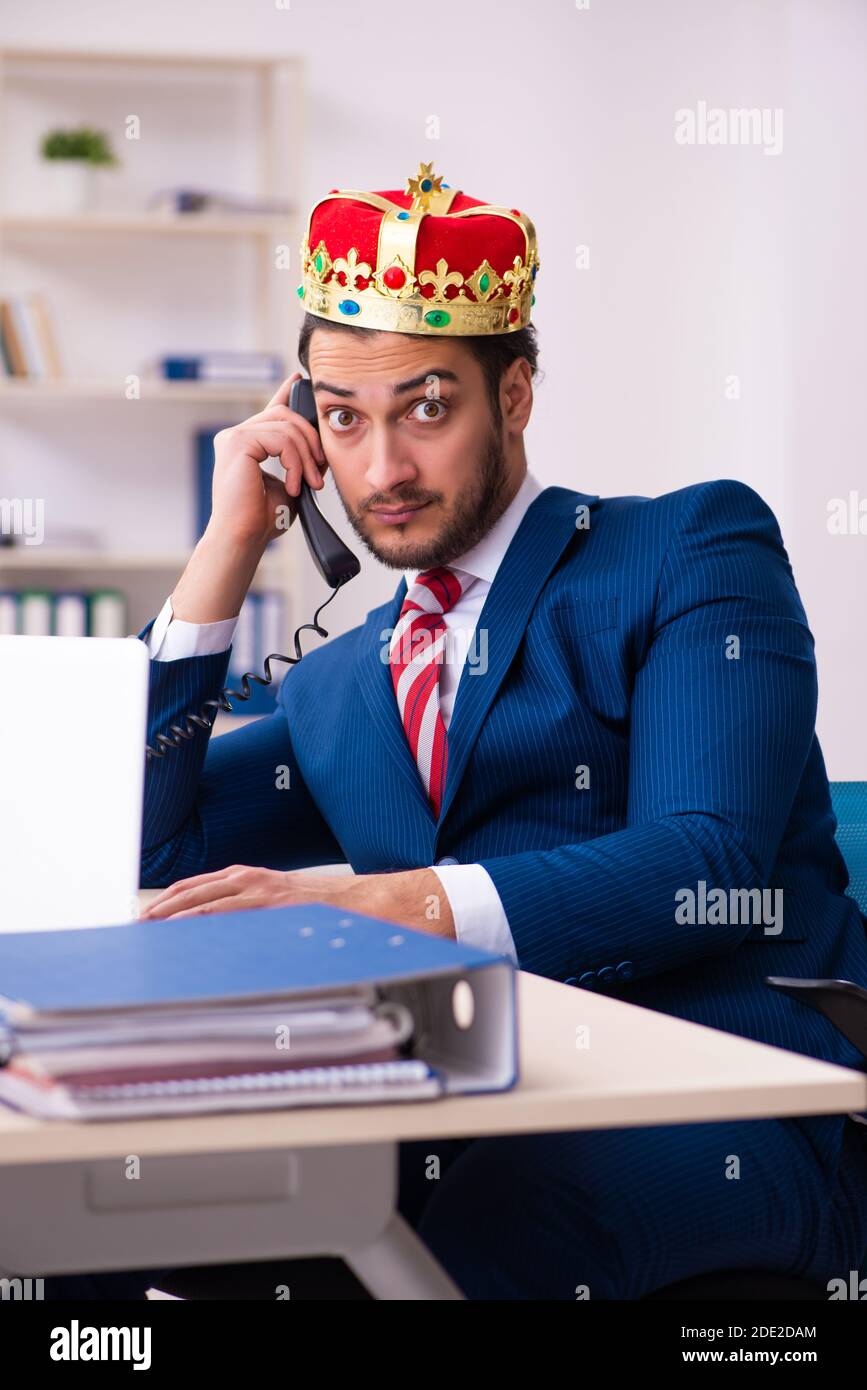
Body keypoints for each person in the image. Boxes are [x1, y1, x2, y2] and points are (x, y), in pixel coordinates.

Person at [50, 162, 867, 1300]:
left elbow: (707, 858)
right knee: (95, 1235)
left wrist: (372, 904)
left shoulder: (688, 549)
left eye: (426, 407)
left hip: (738, 1101)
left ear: (515, 394)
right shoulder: (340, 684)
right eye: (343, 418)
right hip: (459, 1094)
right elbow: (144, 857)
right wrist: (222, 553)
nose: (381, 469)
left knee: (498, 1221)